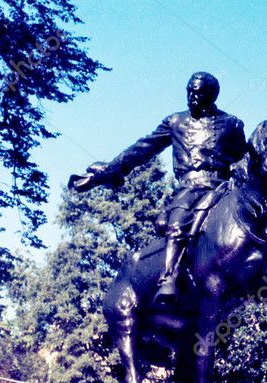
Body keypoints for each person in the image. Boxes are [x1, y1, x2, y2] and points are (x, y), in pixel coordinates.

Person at [69, 72, 247, 302]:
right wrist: (110, 170)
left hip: (224, 188)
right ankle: (169, 277)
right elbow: (143, 148)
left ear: (211, 94)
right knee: (177, 222)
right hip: (191, 188)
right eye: (189, 90)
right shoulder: (175, 121)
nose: (192, 96)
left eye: (198, 92)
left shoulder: (232, 124)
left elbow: (243, 158)